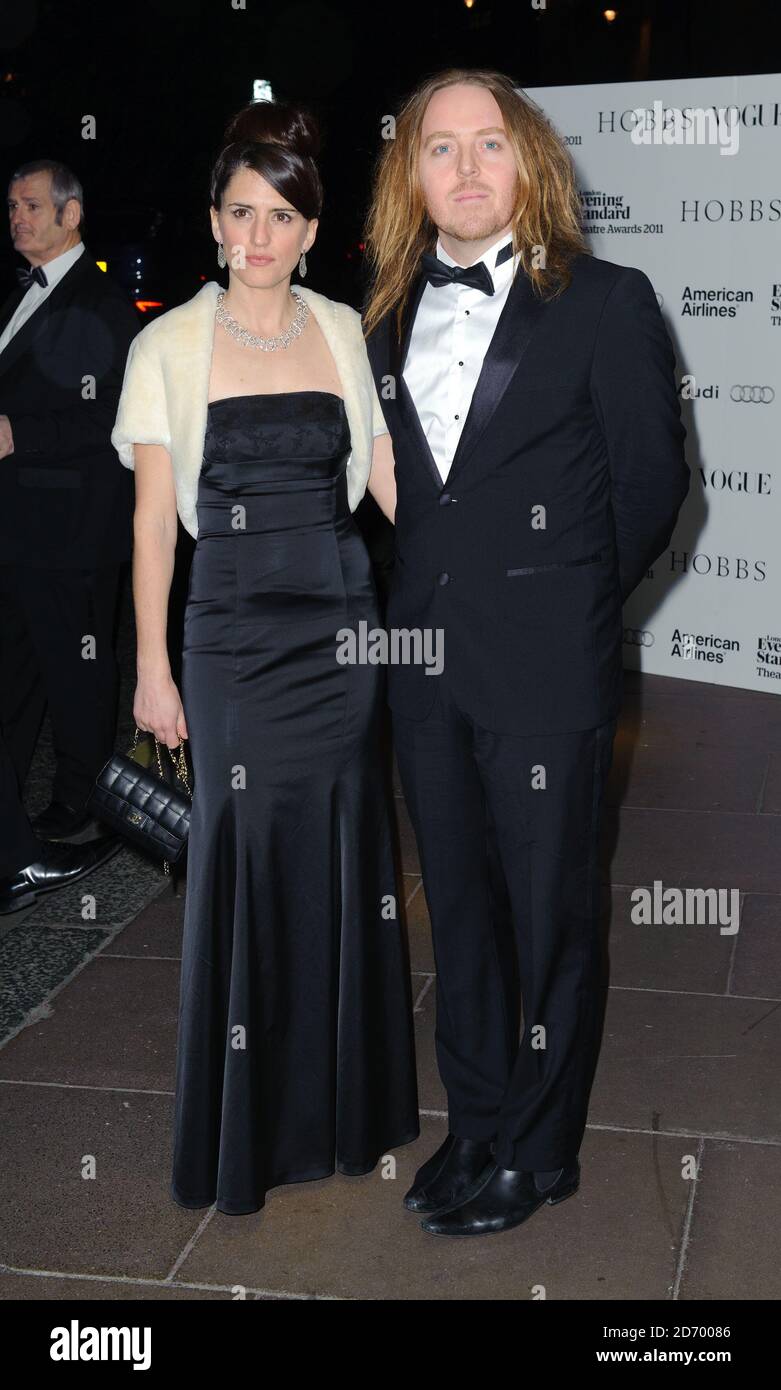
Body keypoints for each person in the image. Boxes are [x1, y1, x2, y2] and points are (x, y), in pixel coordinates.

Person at [363, 68, 690, 1236]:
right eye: (437, 148)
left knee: (550, 916)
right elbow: (404, 488)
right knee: (456, 906)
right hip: (425, 669)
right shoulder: (387, 309)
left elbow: (651, 487)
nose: (461, 167)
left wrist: (565, 609)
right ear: (413, 175)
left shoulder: (604, 301)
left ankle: (542, 1153)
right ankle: (481, 1119)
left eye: (486, 144)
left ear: (530, 164)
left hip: (548, 668)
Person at [110, 100, 419, 1216]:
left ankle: (345, 1111)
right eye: (239, 213)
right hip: (232, 636)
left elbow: (388, 482)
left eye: (279, 216)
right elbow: (152, 523)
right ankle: (247, 1128)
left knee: (342, 854)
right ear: (211, 222)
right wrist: (151, 666)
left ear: (307, 227)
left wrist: (458, 595)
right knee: (244, 859)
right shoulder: (168, 345)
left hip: (340, 629)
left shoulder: (342, 329)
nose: (257, 237)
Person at [0, 161, 139, 841]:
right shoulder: (17, 294)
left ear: (70, 213)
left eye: (30, 206)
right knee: (16, 673)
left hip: (73, 532)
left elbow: (110, 416)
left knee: (76, 672)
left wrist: (16, 433)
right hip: (18, 528)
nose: (17, 218)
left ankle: (82, 805)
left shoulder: (100, 303)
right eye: (12, 207)